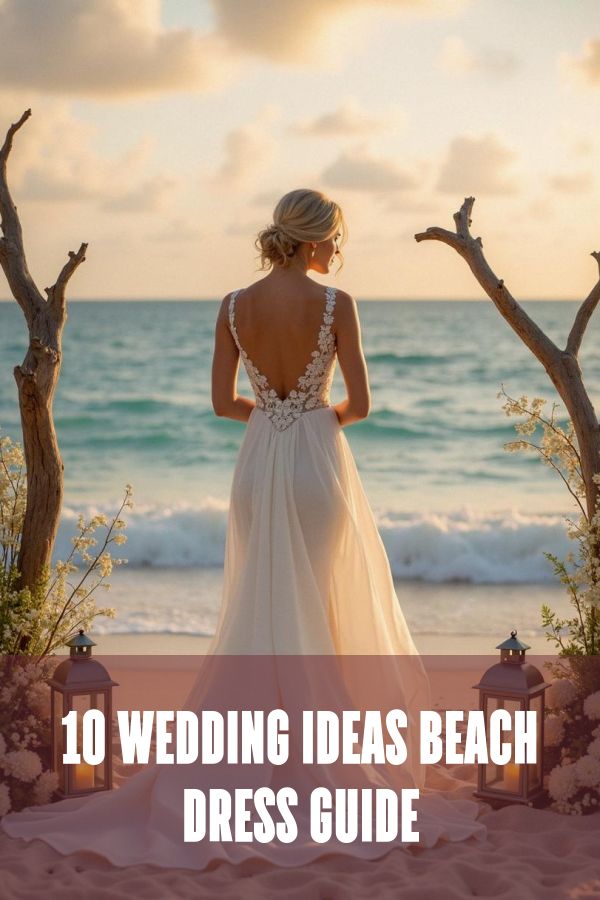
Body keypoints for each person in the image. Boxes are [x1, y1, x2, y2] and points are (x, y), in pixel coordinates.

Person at [2, 189, 485, 869]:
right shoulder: (337, 304)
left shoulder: (233, 306)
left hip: (257, 464)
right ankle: (315, 767)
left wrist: (274, 421)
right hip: (317, 465)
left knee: (264, 606)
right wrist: (311, 423)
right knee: (315, 608)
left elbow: (222, 402)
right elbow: (364, 405)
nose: (338, 251)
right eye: (336, 238)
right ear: (314, 240)